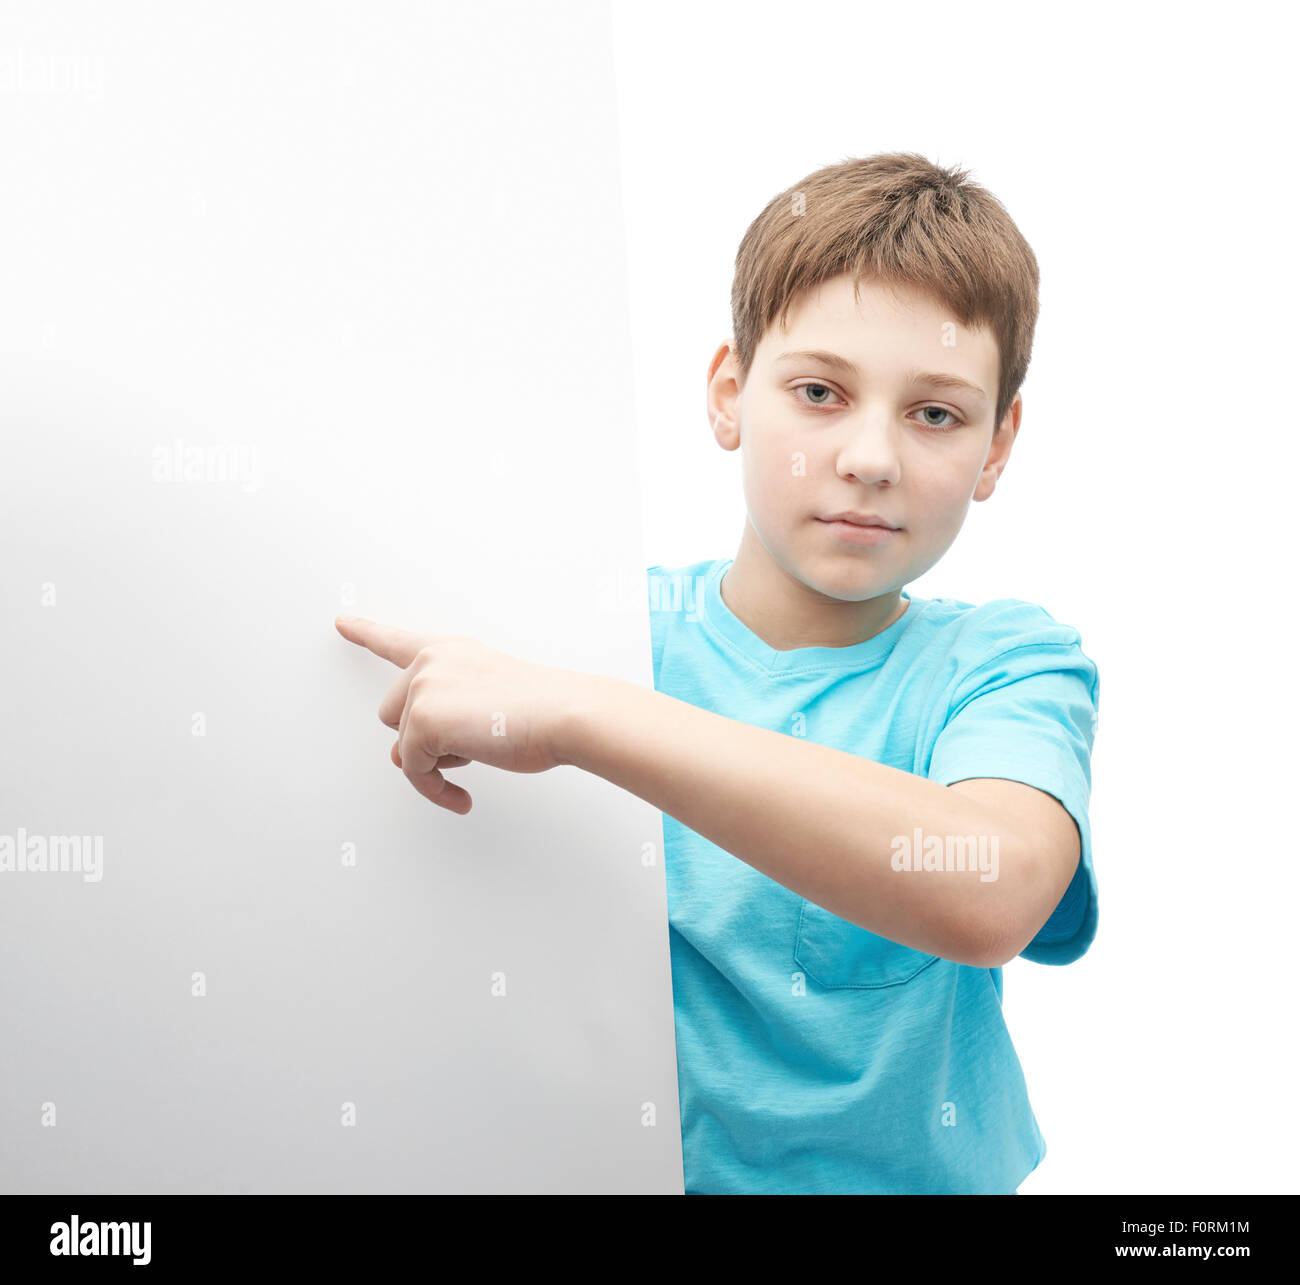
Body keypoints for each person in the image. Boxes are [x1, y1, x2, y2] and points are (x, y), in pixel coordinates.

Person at [337, 151, 1099, 1195]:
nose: (870, 457)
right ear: (731, 393)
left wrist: (578, 716)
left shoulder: (1007, 660)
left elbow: (988, 888)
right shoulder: (598, 628)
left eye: (934, 414)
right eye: (820, 391)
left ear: (997, 444)